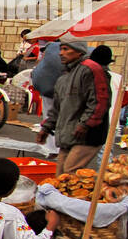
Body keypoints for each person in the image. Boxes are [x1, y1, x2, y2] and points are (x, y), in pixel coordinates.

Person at [37, 36, 106, 173]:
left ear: (79, 51)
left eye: (65, 49)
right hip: (68, 136)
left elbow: (99, 101)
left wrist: (85, 124)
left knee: (70, 173)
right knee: (60, 174)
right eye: (61, 49)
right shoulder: (63, 78)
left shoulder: (91, 70)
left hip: (87, 136)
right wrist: (46, 128)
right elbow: (56, 109)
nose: (60, 53)